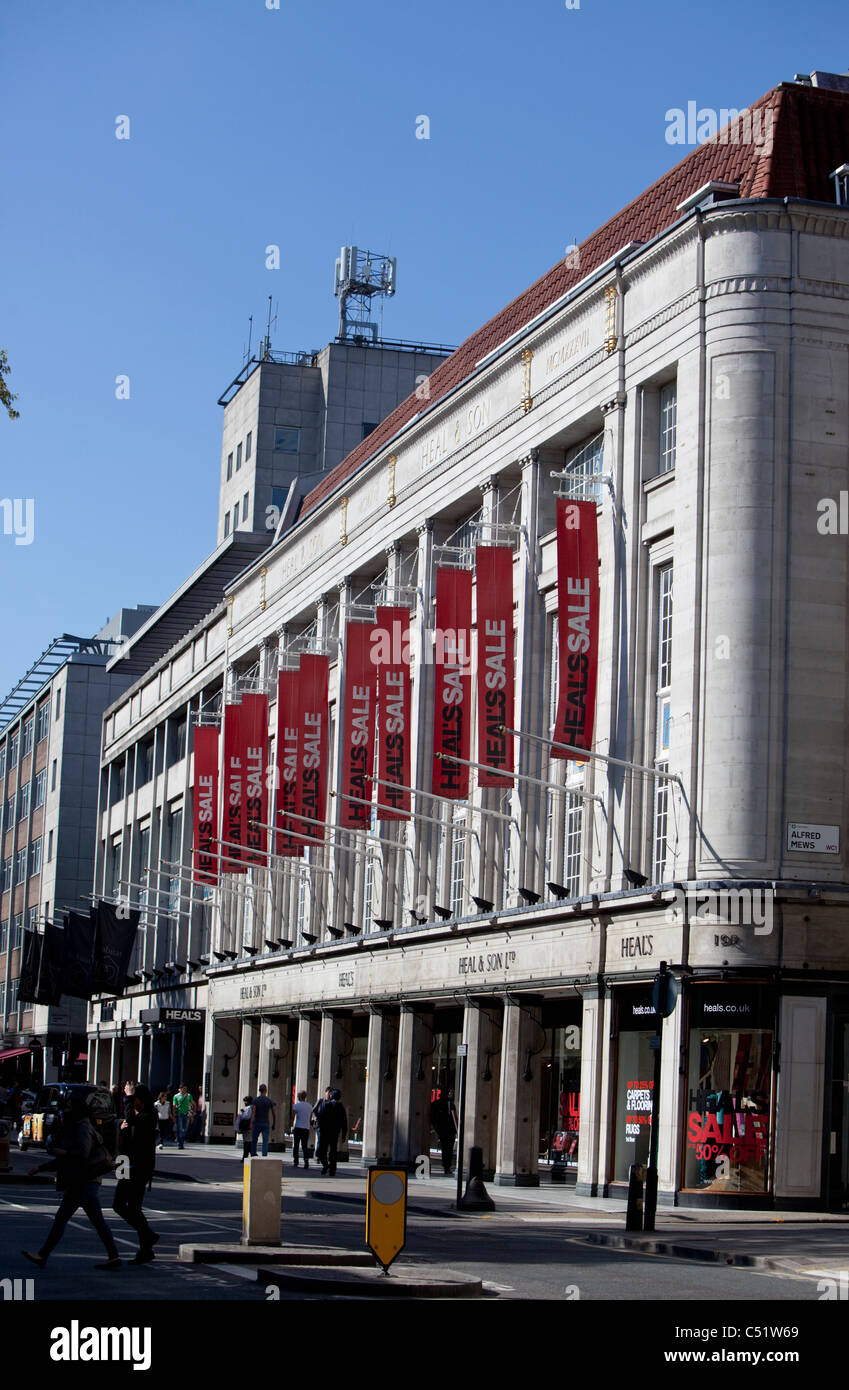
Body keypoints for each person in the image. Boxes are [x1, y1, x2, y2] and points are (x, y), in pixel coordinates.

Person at [21, 1092, 121, 1270]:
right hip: (89, 1179)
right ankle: (113, 1256)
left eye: (68, 1107)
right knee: (98, 1221)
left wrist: (61, 1153)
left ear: (76, 1109)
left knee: (61, 1218)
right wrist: (41, 1167)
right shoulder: (78, 1125)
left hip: (83, 1179)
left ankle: (42, 1254)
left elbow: (80, 1154)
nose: (64, 1110)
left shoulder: (82, 1126)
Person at [113, 1083, 160, 1264]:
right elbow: (125, 1126)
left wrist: (128, 1098)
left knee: (133, 1207)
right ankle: (147, 1238)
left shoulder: (149, 1115)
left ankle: (146, 1247)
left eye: (136, 1100)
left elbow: (132, 1122)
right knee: (118, 1205)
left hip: (139, 1167)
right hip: (124, 1163)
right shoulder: (134, 1115)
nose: (133, 1104)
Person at [315, 1089, 347, 1177]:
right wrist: (344, 1134)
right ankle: (332, 1169)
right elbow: (344, 1121)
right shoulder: (341, 1107)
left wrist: (319, 1128)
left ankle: (325, 1165)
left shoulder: (326, 1104)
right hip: (335, 1132)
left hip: (325, 1132)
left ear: (331, 1096)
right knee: (333, 1151)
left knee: (322, 1150)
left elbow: (320, 1116)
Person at [430, 1086, 458, 1175]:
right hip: (449, 1130)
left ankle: (445, 1165)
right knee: (448, 1149)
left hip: (440, 1129)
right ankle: (447, 1167)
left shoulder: (435, 1104)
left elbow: (432, 1117)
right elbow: (455, 1118)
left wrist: (434, 1127)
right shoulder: (450, 1104)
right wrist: (457, 1129)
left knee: (444, 1147)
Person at [250, 1084, 276, 1157]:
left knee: (254, 1139)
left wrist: (251, 1123)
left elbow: (253, 1112)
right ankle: (264, 1155)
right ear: (266, 1090)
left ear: (259, 1090)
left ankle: (253, 1153)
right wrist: (274, 1123)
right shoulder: (269, 1101)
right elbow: (274, 1113)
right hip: (265, 1123)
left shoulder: (255, 1100)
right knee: (265, 1141)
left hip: (257, 1122)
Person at [291, 1090, 312, 1169]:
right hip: (306, 1128)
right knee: (304, 1146)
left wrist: (292, 1126)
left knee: (296, 1145)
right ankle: (306, 1161)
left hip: (298, 1127)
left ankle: (296, 1161)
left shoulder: (296, 1106)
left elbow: (293, 1117)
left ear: (299, 1097)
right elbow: (310, 1118)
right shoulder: (309, 1106)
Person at [172, 1083, 194, 1149]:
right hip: (179, 1114)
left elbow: (193, 1103)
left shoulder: (189, 1096)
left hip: (187, 1114)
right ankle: (180, 1144)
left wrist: (193, 1112)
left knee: (186, 1129)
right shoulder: (176, 1096)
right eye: (184, 1088)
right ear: (180, 1089)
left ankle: (181, 1141)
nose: (185, 1090)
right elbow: (173, 1106)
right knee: (180, 1129)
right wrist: (173, 1115)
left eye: (186, 1088)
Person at [235, 1096, 253, 1161]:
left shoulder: (249, 1108)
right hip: (248, 1127)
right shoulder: (250, 1108)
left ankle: (246, 1156)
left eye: (245, 1101)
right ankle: (248, 1155)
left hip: (247, 1127)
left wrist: (241, 1114)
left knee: (247, 1142)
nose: (244, 1103)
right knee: (247, 1141)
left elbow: (247, 1117)